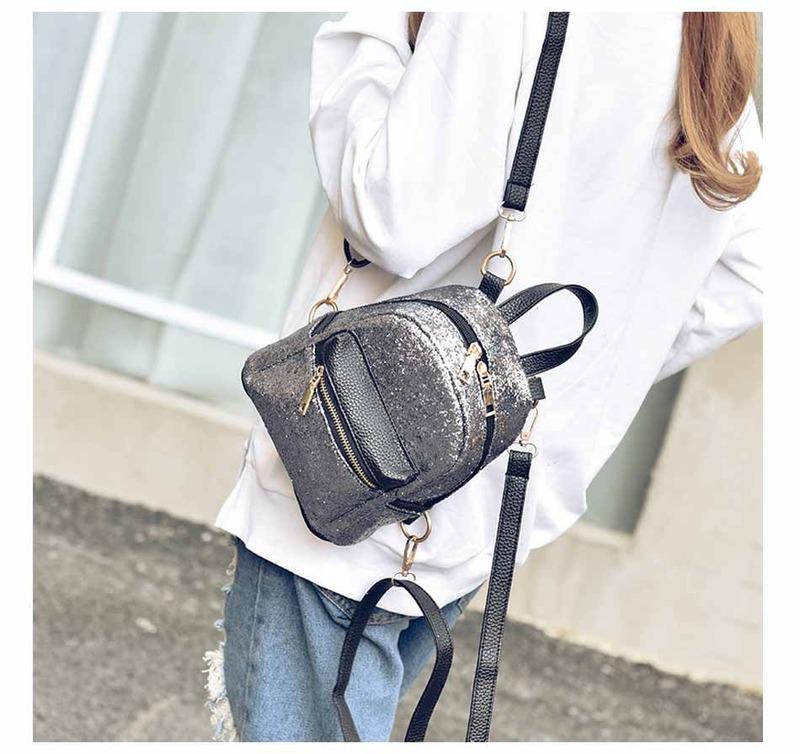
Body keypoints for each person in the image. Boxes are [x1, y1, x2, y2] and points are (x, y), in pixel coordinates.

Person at [204, 11, 762, 742]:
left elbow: (391, 213)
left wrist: (370, 28)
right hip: (492, 486)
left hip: (359, 458)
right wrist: (535, 382)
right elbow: (750, 269)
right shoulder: (703, 29)